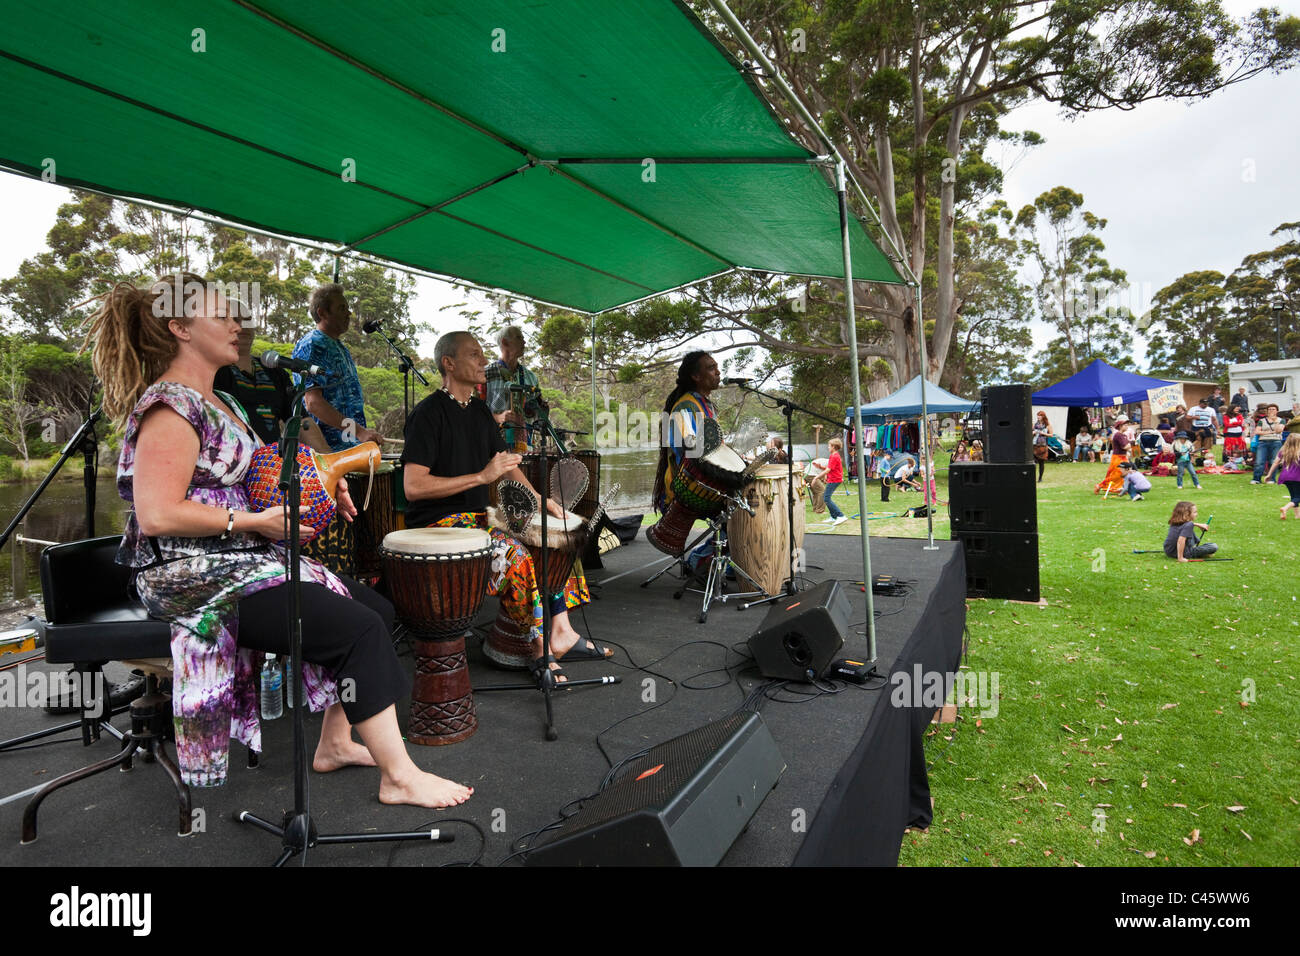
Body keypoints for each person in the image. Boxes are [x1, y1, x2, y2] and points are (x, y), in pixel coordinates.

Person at [88, 273, 471, 808]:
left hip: (243, 559)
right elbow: (156, 515)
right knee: (356, 629)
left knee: (375, 611)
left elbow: (259, 474)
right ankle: (399, 776)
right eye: (220, 314)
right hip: (193, 575)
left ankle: (336, 743)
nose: (235, 324)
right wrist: (254, 524)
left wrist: (322, 485)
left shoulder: (225, 402)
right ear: (179, 328)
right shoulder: (170, 407)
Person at [402, 331, 604, 685]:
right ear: (449, 363)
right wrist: (480, 477)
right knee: (517, 555)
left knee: (560, 538)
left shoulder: (478, 410)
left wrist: (543, 501)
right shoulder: (428, 414)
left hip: (479, 517)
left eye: (483, 352)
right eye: (474, 354)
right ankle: (539, 649)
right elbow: (413, 486)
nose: (483, 360)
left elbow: (506, 463)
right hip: (439, 523)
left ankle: (563, 631)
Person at [214, 311, 330, 452]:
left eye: (247, 319)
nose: (242, 326)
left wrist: (328, 461)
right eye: (235, 319)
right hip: (231, 464)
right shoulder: (213, 371)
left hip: (271, 466)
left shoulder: (274, 371)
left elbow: (301, 420)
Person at [291, 283, 384, 451]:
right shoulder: (313, 344)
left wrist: (360, 434)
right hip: (325, 452)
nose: (349, 313)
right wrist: (360, 432)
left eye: (348, 308)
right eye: (342, 308)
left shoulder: (340, 347)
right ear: (322, 312)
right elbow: (313, 403)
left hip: (347, 448)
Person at [653, 351, 720, 514]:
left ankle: (723, 539)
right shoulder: (686, 407)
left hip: (700, 484)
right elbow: (692, 453)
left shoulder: (705, 405)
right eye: (711, 368)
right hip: (685, 489)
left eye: (717, 367)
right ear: (696, 376)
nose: (718, 372)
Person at [484, 325, 540, 451]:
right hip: (492, 445)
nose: (524, 342)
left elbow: (537, 413)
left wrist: (535, 411)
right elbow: (474, 410)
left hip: (523, 445)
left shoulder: (530, 377)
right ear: (505, 342)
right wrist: (498, 417)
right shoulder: (486, 374)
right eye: (519, 337)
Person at [1263, 433, 1300, 519]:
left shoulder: (1283, 451)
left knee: (1294, 496)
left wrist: (1269, 474)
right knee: (1297, 497)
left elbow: (1275, 462)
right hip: (1297, 477)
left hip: (1286, 477)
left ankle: (1297, 515)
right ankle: (1285, 508)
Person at [1095, 415, 1131, 494]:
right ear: (1120, 426)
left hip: (1122, 457)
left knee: (1126, 473)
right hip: (1118, 458)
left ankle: (1124, 488)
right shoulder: (1118, 435)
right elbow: (1125, 446)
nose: (1127, 426)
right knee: (1116, 475)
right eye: (1125, 424)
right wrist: (1130, 444)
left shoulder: (1123, 435)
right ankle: (1099, 485)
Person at [1252, 403, 1286, 484]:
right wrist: (1272, 431)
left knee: (1273, 461)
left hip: (1276, 441)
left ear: (1277, 411)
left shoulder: (1281, 420)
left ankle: (1271, 479)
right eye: (1269, 409)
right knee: (1259, 461)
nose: (1271, 411)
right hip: (1263, 442)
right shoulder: (1262, 421)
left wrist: (1274, 421)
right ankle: (1256, 479)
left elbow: (1279, 430)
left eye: (1273, 409)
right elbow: (1257, 431)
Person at [823, 438, 847, 525]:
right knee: (826, 497)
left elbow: (828, 469)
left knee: (826, 498)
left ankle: (840, 516)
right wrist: (826, 476)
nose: (828, 447)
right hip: (832, 479)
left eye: (829, 446)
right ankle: (833, 517)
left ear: (833, 447)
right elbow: (830, 468)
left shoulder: (835, 456)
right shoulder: (832, 455)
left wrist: (817, 477)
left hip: (835, 480)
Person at [1032, 411, 1053, 481]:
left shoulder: (1047, 425)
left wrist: (1043, 433)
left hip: (1042, 446)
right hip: (1034, 445)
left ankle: (1040, 478)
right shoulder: (1035, 424)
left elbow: (1051, 435)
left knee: (1041, 463)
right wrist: (1033, 433)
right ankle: (1032, 477)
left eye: (1040, 416)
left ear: (1043, 416)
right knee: (1033, 462)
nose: (1038, 417)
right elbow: (1030, 433)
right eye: (1037, 415)